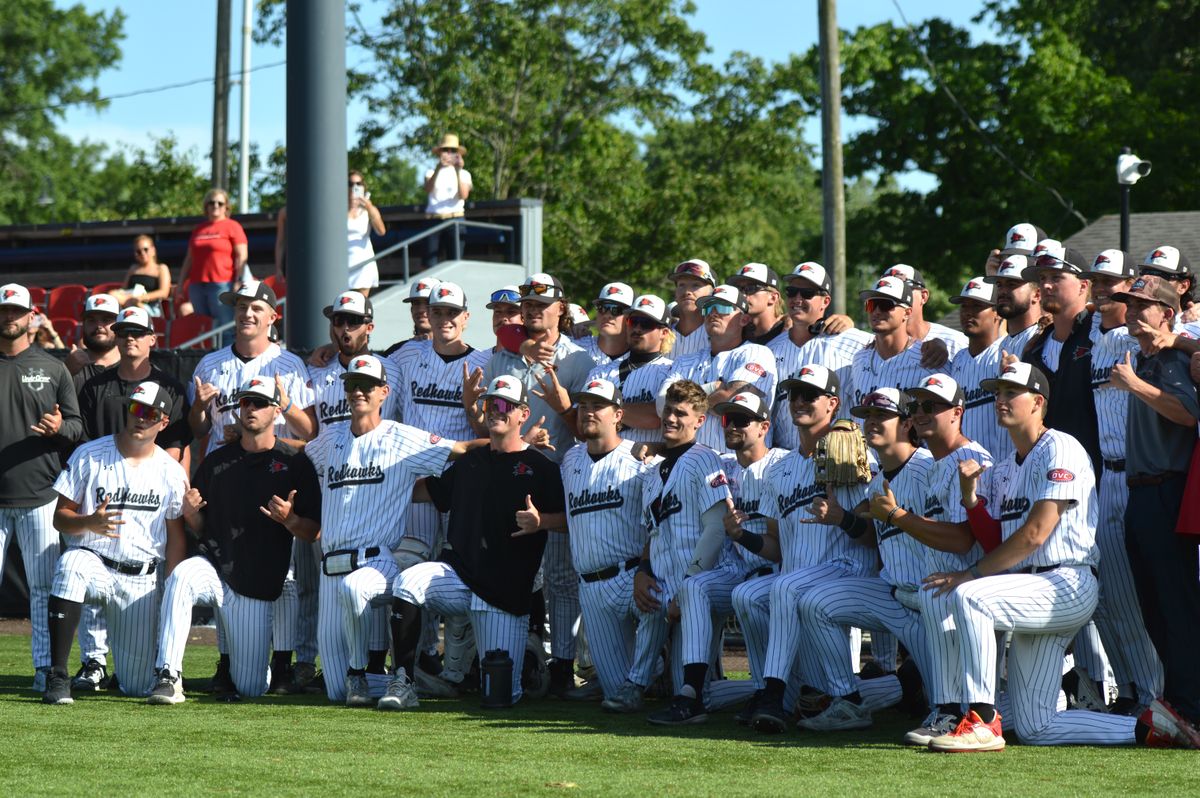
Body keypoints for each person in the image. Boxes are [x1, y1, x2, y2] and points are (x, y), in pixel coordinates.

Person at [921, 361, 1199, 750]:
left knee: (971, 596)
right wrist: (970, 498)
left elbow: (1035, 533)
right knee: (1036, 727)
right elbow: (993, 540)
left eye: (1010, 392)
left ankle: (981, 719)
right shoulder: (1003, 470)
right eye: (997, 392)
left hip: (1066, 582)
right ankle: (1151, 729)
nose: (1000, 399)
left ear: (1037, 402)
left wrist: (972, 574)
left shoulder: (1061, 447)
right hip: (1031, 590)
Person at [299, 355, 484, 705]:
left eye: (367, 385)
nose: (359, 391)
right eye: (353, 384)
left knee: (355, 589)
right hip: (329, 568)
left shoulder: (400, 437)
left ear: (384, 392)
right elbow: (302, 456)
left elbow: (459, 449)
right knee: (335, 692)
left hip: (376, 562)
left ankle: (359, 673)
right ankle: (411, 682)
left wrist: (518, 440)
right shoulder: (331, 439)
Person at [385, 375, 565, 710]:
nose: (495, 410)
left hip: (504, 590)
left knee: (499, 696)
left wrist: (543, 522)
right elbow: (428, 492)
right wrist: (379, 485)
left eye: (504, 405)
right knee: (408, 582)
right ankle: (403, 681)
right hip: (459, 576)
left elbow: (569, 522)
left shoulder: (541, 467)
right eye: (490, 404)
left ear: (522, 414)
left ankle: (527, 656)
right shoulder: (470, 461)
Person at [742, 364, 897, 733]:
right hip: (799, 576)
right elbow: (777, 547)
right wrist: (739, 535)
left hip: (847, 568)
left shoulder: (853, 453)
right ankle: (800, 693)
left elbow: (877, 535)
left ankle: (772, 694)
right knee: (747, 595)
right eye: (794, 394)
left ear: (833, 403)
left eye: (809, 394)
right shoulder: (777, 469)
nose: (799, 401)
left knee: (785, 588)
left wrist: (843, 517)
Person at [148, 378, 321, 704]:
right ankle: (168, 675)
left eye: (259, 403)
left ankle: (265, 669)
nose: (251, 409)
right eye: (245, 403)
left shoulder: (295, 464)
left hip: (256, 583)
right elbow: (200, 527)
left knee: (251, 686)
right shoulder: (217, 461)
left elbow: (313, 532)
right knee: (182, 577)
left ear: (275, 411)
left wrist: (291, 520)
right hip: (213, 565)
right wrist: (190, 514)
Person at [474, 272, 594, 695]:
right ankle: (511, 659)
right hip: (506, 477)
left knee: (561, 577)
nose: (533, 311)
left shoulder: (582, 359)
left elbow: (588, 427)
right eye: (527, 304)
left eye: (543, 305)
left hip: (557, 473)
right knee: (509, 570)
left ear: (561, 308)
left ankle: (562, 664)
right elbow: (484, 418)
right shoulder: (503, 356)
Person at [793, 387, 938, 734]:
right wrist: (844, 518)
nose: (871, 422)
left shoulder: (928, 469)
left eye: (882, 416)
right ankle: (849, 701)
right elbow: (875, 538)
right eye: (867, 416)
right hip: (891, 594)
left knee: (961, 707)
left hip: (930, 605)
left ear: (906, 424)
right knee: (816, 601)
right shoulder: (877, 481)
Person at [41, 381, 188, 704]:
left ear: (164, 422)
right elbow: (60, 517)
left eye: (151, 413)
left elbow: (175, 536)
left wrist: (171, 591)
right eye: (136, 408)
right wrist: (88, 522)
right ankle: (58, 675)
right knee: (70, 565)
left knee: (135, 686)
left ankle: (124, 671)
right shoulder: (89, 454)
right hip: (95, 560)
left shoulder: (171, 471)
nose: (141, 417)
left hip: (140, 578)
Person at [653, 391, 787, 723]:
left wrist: (743, 535)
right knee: (695, 587)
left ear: (764, 426)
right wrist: (651, 450)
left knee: (802, 689)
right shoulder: (721, 464)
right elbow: (684, 455)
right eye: (727, 419)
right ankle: (691, 693)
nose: (732, 426)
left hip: (780, 574)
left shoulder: (783, 464)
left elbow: (780, 545)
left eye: (742, 420)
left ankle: (895, 684)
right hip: (742, 575)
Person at [388, 281, 491, 693]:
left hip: (463, 481)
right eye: (438, 312)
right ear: (425, 316)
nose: (445, 319)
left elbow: (491, 428)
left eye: (453, 313)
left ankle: (459, 661)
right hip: (414, 479)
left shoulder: (484, 361)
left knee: (458, 569)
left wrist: (471, 407)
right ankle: (421, 656)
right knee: (411, 565)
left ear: (466, 318)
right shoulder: (404, 357)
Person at [1109, 275, 1200, 728]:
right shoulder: (1143, 357)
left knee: (1175, 602)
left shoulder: (1170, 360)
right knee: (1152, 602)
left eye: (1141, 305)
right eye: (1128, 303)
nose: (1130, 311)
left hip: (1168, 488)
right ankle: (1179, 700)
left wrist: (1134, 385)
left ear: (1166, 312)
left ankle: (1191, 705)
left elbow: (1187, 415)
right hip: (1140, 491)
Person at [630, 380, 736, 725]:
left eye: (681, 413)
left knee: (695, 690)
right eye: (668, 411)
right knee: (683, 686)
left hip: (701, 581)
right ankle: (638, 685)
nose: (671, 418)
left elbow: (718, 527)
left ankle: (767, 691)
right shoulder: (655, 471)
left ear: (699, 421)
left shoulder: (704, 459)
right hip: (666, 583)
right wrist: (643, 570)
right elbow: (653, 531)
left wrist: (687, 586)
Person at [1083, 250, 1160, 713]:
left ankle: (1154, 694)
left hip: (1141, 475)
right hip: (1105, 478)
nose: (1102, 287)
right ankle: (1129, 689)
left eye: (1112, 281)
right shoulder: (1093, 333)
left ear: (1131, 287)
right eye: (1097, 280)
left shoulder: (1146, 337)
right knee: (1108, 592)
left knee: (1140, 592)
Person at [0, 283, 84, 692]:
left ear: (32, 316)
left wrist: (58, 429)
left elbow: (77, 426)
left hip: (40, 494)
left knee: (43, 590)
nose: (9, 317)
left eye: (17, 311)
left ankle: (44, 670)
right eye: (4, 310)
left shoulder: (53, 367)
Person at [558, 378, 656, 711]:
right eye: (583, 405)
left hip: (633, 574)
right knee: (617, 693)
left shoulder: (640, 460)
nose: (588, 411)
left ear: (618, 414)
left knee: (660, 608)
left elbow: (659, 524)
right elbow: (574, 517)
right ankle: (650, 675)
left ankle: (664, 671)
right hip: (591, 586)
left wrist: (646, 567)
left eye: (598, 405)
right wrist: (541, 521)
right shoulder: (570, 460)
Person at [188, 281, 316, 458]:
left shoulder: (291, 365)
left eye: (256, 308)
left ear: (272, 318)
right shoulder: (209, 364)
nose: (247, 314)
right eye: (242, 307)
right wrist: (198, 408)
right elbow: (199, 432)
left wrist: (285, 404)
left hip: (275, 467)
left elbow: (310, 432)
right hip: (223, 470)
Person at [661, 285, 777, 454]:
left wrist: (686, 402)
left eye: (722, 307)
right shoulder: (685, 361)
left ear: (744, 319)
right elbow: (662, 404)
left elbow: (735, 403)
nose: (713, 313)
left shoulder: (757, 352)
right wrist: (714, 388)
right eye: (708, 308)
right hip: (689, 462)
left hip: (738, 464)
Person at [1020, 238, 1101, 477]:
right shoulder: (1033, 349)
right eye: (1042, 278)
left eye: (1056, 278)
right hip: (1045, 471)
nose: (1045, 285)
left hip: (1100, 470)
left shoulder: (1101, 334)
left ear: (1084, 285)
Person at [767, 262, 870, 450]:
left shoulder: (851, 340)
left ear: (826, 301)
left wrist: (935, 346)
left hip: (836, 458)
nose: (797, 298)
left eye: (807, 294)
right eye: (792, 291)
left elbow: (896, 345)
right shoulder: (770, 350)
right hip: (784, 460)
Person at [78, 306, 191, 460]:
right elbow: (85, 441)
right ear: (116, 338)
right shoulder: (93, 386)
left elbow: (176, 445)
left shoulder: (170, 388)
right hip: (103, 473)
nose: (129, 338)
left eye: (137, 332)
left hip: (152, 478)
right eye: (123, 333)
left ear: (152, 339)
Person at [586, 294, 675, 444]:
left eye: (646, 324)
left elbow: (655, 417)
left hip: (645, 464)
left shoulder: (671, 371)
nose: (637, 328)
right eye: (633, 321)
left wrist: (603, 412)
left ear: (664, 332)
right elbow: (584, 421)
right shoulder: (600, 372)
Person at [309, 291, 402, 429]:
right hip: (330, 450)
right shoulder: (316, 370)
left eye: (353, 321)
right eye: (338, 321)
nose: (345, 328)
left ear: (369, 328)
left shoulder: (393, 371)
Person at [845, 276, 934, 411]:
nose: (877, 311)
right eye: (872, 305)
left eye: (886, 305)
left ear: (907, 312)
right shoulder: (859, 359)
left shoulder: (928, 359)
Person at [177, 188, 248, 345]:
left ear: (226, 207)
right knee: (203, 326)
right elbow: (189, 259)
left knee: (226, 327)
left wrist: (238, 279)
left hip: (222, 283)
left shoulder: (232, 226)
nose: (215, 206)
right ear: (206, 206)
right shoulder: (199, 229)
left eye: (220, 203)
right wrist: (181, 283)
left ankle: (228, 363)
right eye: (211, 202)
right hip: (197, 284)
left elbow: (241, 255)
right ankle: (208, 362)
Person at [947, 278, 1005, 459]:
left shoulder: (1007, 353)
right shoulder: (956, 360)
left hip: (1001, 463)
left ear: (998, 313)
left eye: (977, 306)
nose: (968, 313)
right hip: (962, 465)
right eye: (964, 306)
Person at [423, 133, 472, 267]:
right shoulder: (430, 172)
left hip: (455, 220)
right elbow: (427, 189)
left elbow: (464, 195)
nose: (449, 153)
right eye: (446, 150)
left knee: (455, 262)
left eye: (453, 151)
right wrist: (439, 168)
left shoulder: (464, 174)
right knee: (430, 263)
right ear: (439, 152)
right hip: (433, 219)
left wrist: (457, 171)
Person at [108, 235, 173, 316]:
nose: (142, 253)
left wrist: (141, 297)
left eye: (145, 249)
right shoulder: (133, 268)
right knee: (112, 295)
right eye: (138, 251)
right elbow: (124, 289)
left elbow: (164, 292)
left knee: (128, 302)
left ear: (153, 250)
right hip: (129, 300)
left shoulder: (161, 268)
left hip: (149, 306)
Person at [346, 171, 388, 295]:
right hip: (343, 262)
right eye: (350, 183)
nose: (354, 187)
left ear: (363, 187)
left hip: (363, 262)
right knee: (342, 307)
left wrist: (368, 206)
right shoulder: (337, 207)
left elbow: (381, 231)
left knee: (361, 307)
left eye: (358, 184)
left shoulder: (368, 209)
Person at [728, 263, 788, 345]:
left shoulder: (789, 332)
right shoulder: (734, 332)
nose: (743, 295)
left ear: (773, 297)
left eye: (751, 288)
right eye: (739, 290)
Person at [667, 259, 717, 359]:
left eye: (696, 285)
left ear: (712, 292)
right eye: (681, 285)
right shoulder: (662, 334)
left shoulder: (718, 336)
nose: (687, 291)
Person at [65, 294, 121, 381]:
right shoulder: (70, 368)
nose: (99, 326)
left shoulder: (132, 367)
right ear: (83, 325)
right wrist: (66, 372)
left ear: (119, 326)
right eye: (91, 320)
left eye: (106, 320)